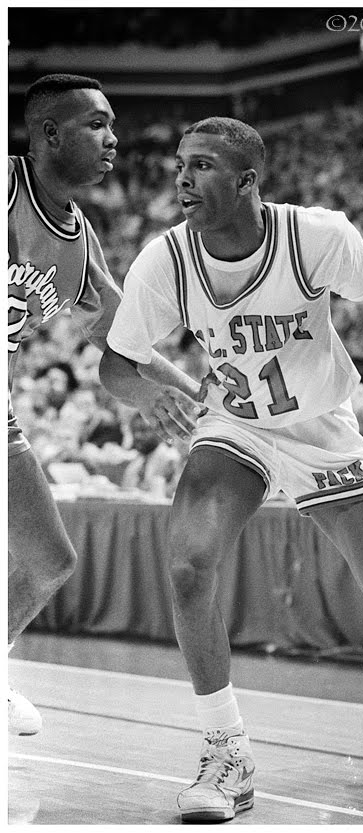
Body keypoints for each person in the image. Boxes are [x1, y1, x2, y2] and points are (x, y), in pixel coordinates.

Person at [100, 117, 363, 823]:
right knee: (187, 565)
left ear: (247, 180)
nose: (182, 177)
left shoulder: (316, 236)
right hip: (236, 425)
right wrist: (153, 398)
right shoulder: (165, 261)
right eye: (181, 163)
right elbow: (118, 362)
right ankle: (225, 747)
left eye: (203, 165)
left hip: (322, 428)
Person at [8, 74, 201, 737]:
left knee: (50, 559)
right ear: (47, 135)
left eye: (114, 123)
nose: (114, 138)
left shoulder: (80, 242)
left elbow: (127, 349)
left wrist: (205, 402)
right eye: (96, 124)